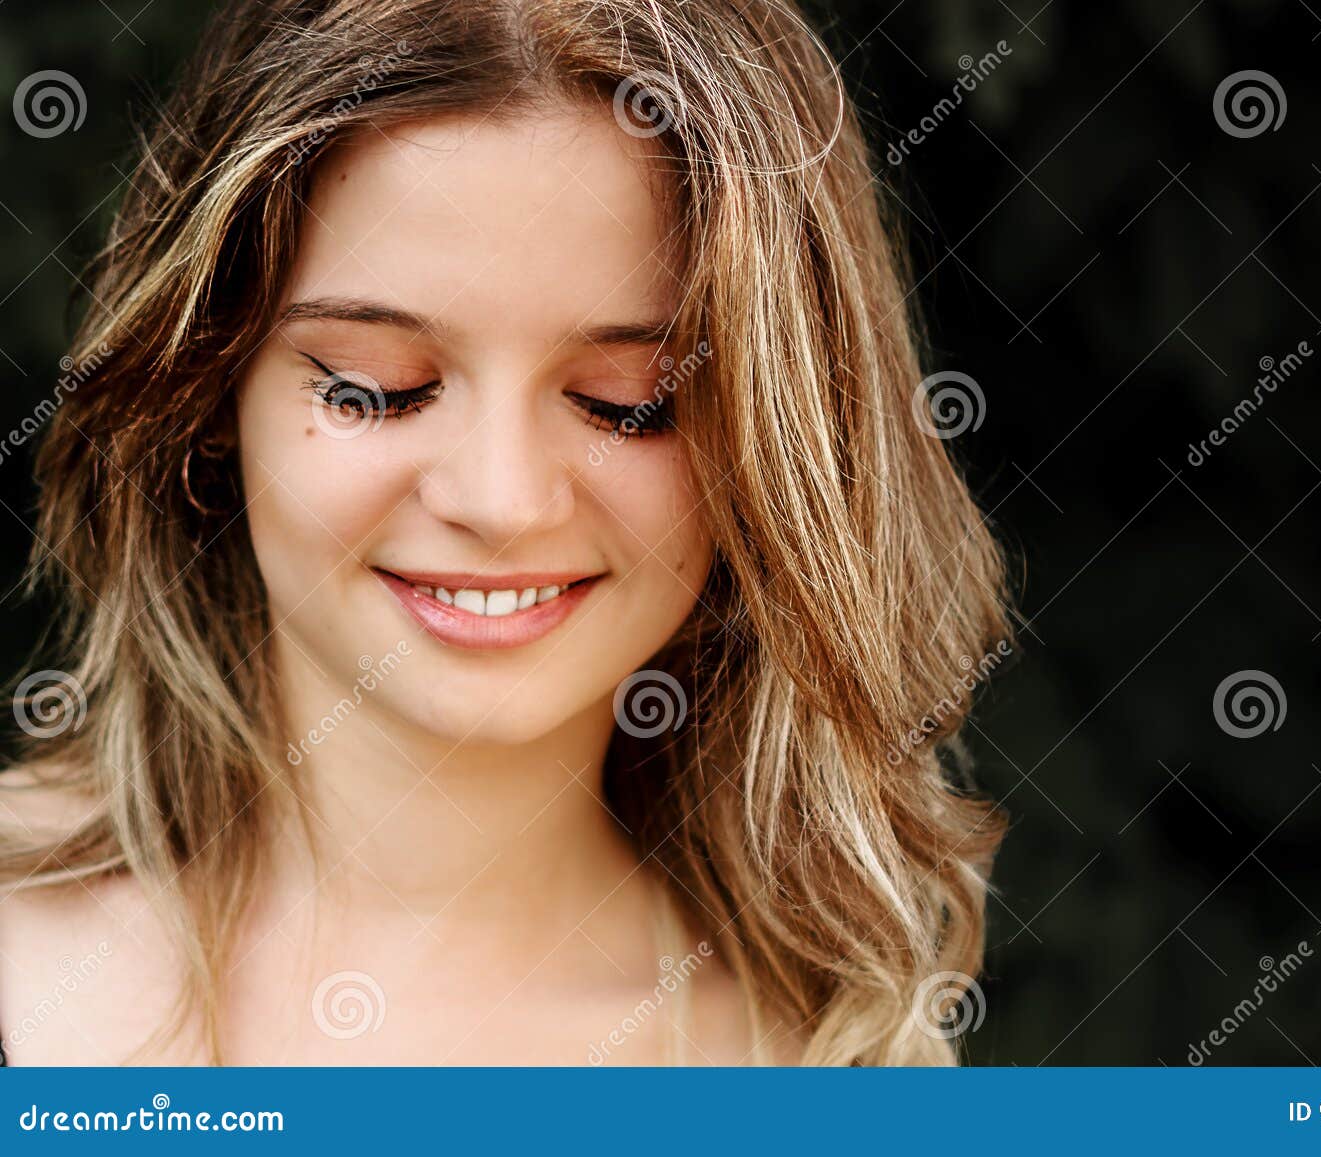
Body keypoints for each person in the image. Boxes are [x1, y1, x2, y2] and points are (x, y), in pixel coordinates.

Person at [0, 0, 1010, 1066]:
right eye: (377, 390)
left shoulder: (830, 1063)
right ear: (205, 390)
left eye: (628, 403)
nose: (502, 499)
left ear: (782, 443)